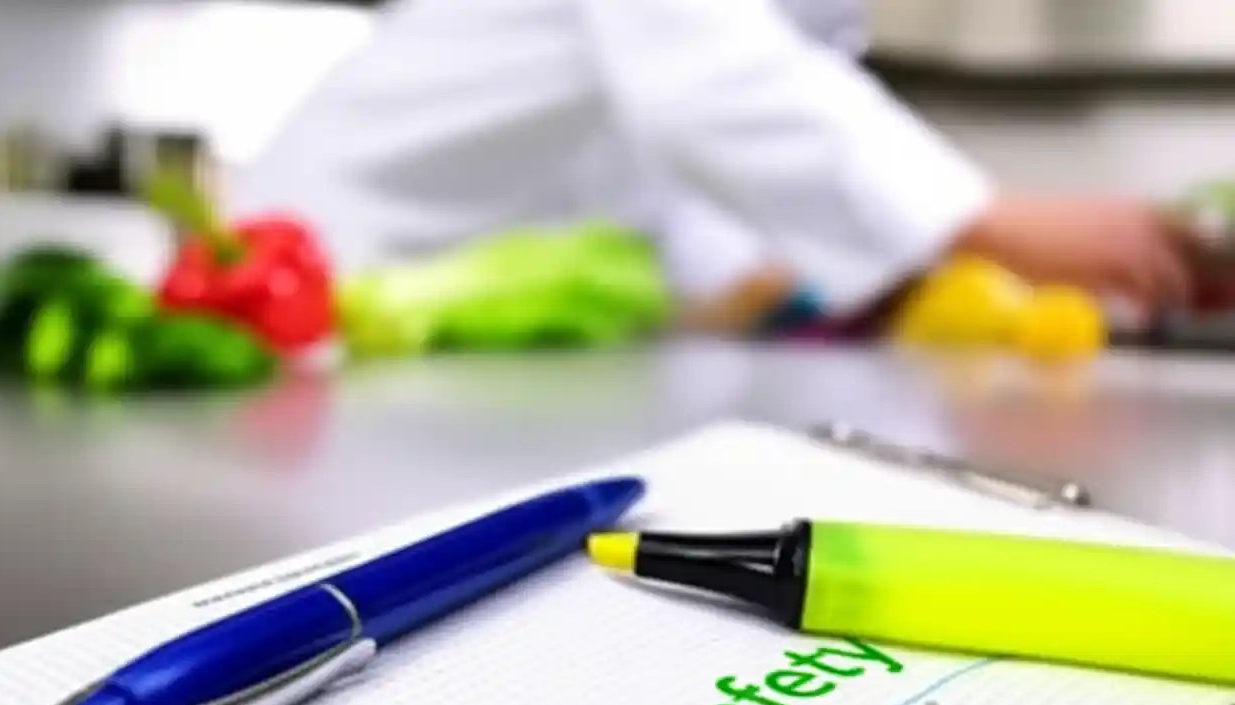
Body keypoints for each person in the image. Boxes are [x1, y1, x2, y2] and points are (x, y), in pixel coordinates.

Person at [233, 0, 1206, 334]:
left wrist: (779, 283)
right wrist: (985, 219)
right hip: (325, 258)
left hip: (475, 302)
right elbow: (709, 85)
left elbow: (655, 146)